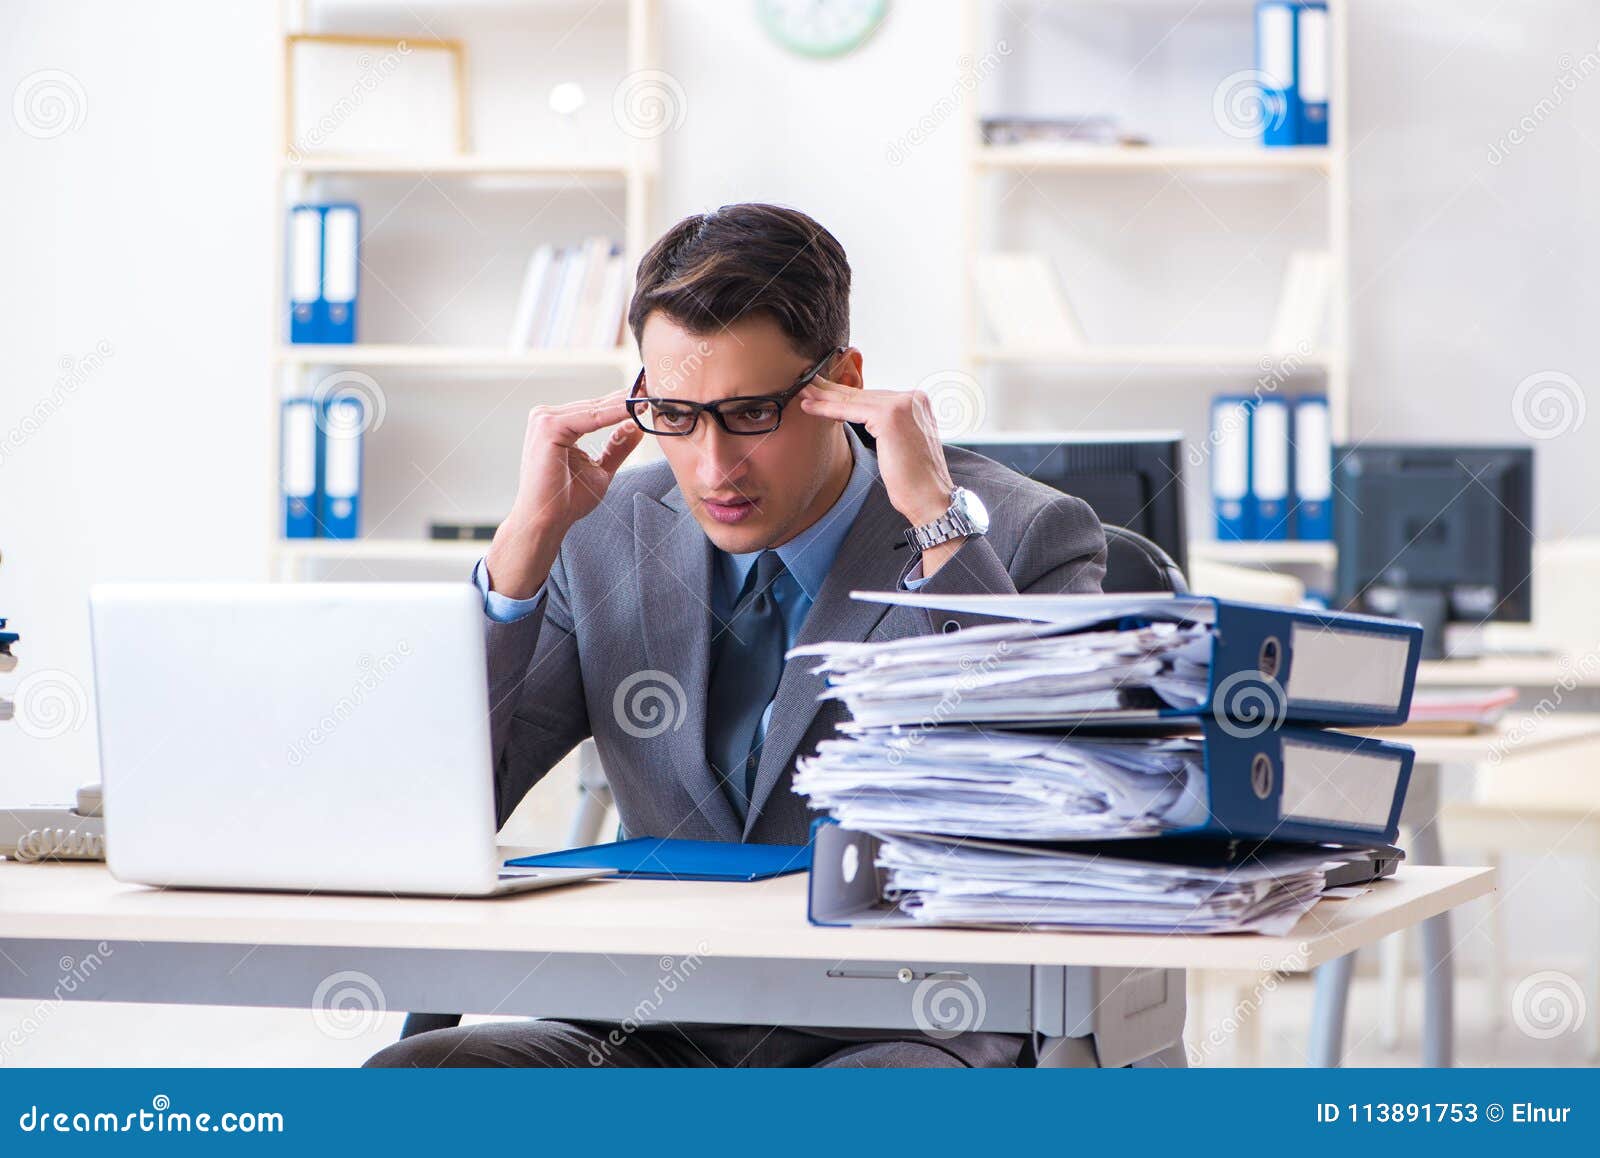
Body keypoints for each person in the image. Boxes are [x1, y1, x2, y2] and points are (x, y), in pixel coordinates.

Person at [366, 203, 1105, 1069]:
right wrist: (520, 560)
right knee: (420, 1082)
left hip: (898, 1029)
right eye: (674, 414)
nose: (714, 469)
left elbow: (1055, 814)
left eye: (751, 413)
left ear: (843, 381)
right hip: (649, 1028)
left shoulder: (1015, 535)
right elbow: (438, 809)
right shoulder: (603, 533)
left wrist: (940, 530)